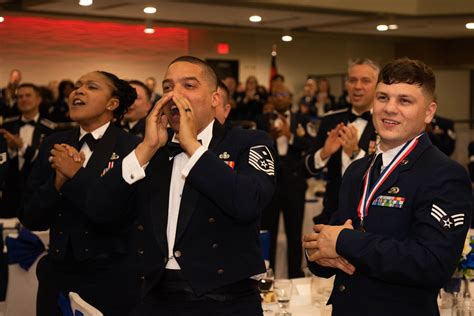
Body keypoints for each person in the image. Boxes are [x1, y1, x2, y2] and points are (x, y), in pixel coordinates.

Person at [85, 56, 276, 315]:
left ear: (215, 98)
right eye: (167, 87)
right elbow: (98, 208)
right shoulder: (149, 148)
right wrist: (146, 148)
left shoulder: (249, 141)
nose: (175, 94)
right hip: (154, 295)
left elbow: (247, 203)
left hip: (226, 299)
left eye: (189, 85)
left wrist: (193, 148)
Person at [303, 58, 472, 315]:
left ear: (429, 112)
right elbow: (329, 237)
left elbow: (432, 264)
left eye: (404, 101)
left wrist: (344, 242)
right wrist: (317, 252)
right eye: (383, 98)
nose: (389, 109)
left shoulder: (445, 175)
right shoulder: (357, 169)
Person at [17, 71, 141, 315]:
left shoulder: (132, 148)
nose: (78, 91)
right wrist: (58, 182)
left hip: (110, 277)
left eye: (91, 86)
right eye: (76, 86)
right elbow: (31, 217)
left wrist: (75, 175)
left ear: (112, 104)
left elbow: (114, 213)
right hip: (57, 275)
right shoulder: (54, 143)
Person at [305, 58, 379, 224]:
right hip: (332, 215)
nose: (357, 86)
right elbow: (306, 169)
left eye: (365, 81)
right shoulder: (331, 120)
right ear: (346, 85)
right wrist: (324, 153)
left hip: (370, 218)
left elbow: (386, 176)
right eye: (352, 80)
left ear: (378, 86)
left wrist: (355, 153)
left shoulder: (385, 123)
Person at [257, 83, 316, 278]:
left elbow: (310, 145)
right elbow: (255, 150)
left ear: (290, 97)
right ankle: (267, 275)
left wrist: (290, 136)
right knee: (268, 233)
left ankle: (295, 276)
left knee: (294, 232)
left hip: (294, 184)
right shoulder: (262, 119)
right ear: (271, 98)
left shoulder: (301, 119)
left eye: (283, 94)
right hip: (270, 185)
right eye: (276, 94)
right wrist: (270, 137)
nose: (280, 97)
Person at [0, 83, 56, 218]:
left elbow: (48, 162)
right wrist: (11, 151)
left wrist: (22, 147)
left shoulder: (50, 128)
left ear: (39, 99)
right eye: (19, 97)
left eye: (28, 95)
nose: (23, 99)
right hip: (9, 193)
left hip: (37, 193)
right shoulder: (6, 125)